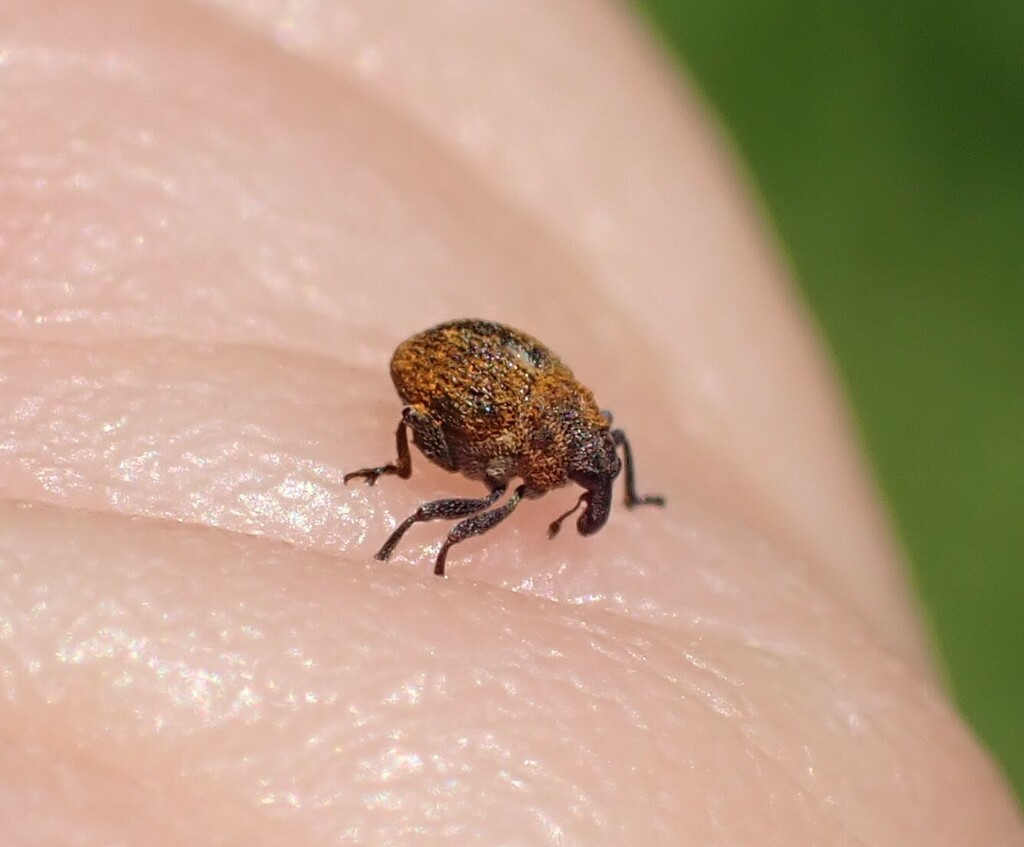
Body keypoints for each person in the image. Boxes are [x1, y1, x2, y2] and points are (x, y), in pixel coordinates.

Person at [1, 1, 1020, 842]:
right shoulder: (514, 444)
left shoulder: (578, 430)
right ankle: (402, 528)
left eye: (590, 472)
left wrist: (614, 489)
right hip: (444, 375)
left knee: (555, 463)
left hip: (496, 379)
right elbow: (456, 402)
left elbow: (603, 442)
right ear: (547, 454)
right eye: (581, 474)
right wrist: (415, 519)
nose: (588, 479)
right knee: (442, 513)